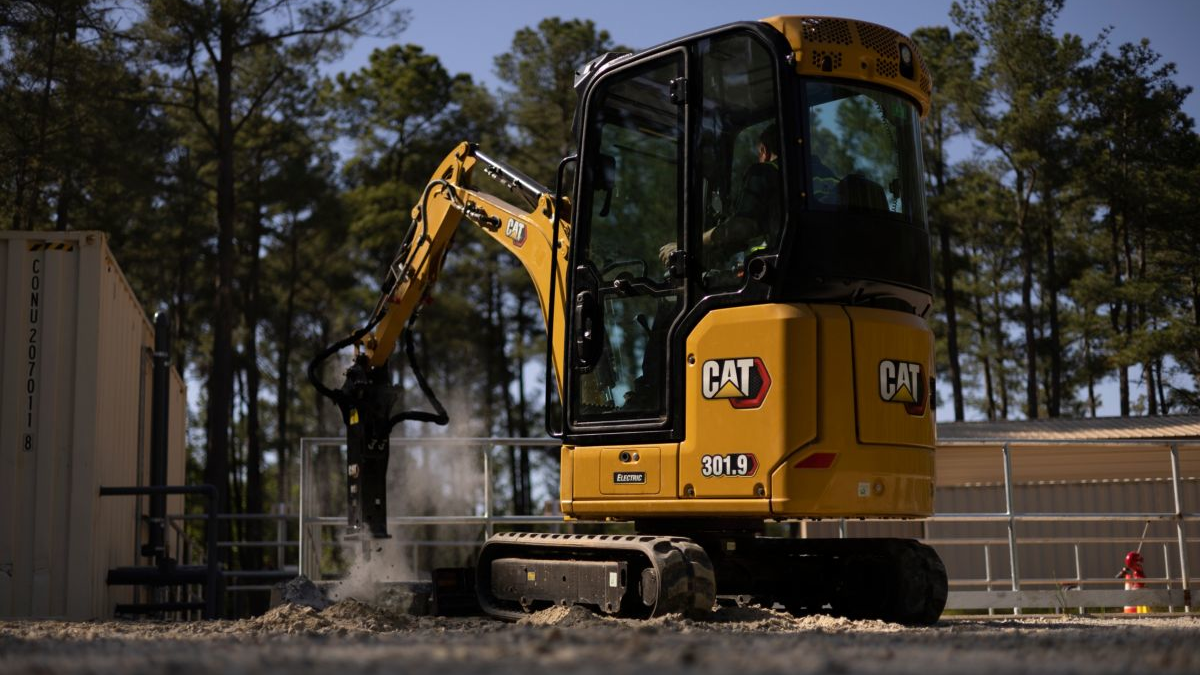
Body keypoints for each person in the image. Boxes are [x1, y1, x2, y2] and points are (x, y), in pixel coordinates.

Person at [659, 123, 782, 267]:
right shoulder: (798, 179)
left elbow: (743, 226)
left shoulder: (764, 172)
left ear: (764, 151)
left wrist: (690, 245)